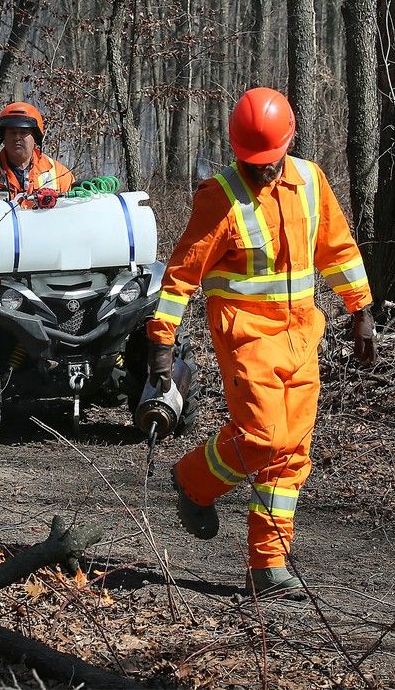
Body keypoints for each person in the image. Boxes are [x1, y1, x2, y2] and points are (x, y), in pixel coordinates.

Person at [147, 87, 377, 599]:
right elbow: (182, 274)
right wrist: (161, 341)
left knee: (292, 451)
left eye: (270, 161)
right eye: (254, 163)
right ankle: (193, 480)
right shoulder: (219, 196)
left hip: (302, 337)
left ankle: (267, 566)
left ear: (287, 145)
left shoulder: (311, 182)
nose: (263, 171)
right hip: (246, 339)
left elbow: (338, 250)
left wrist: (360, 310)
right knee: (265, 437)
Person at [0, 102, 74, 220]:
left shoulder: (58, 173)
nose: (17, 137)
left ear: (35, 137)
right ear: (3, 137)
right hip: (2, 236)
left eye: (23, 132)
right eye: (12, 132)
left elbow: (77, 207)